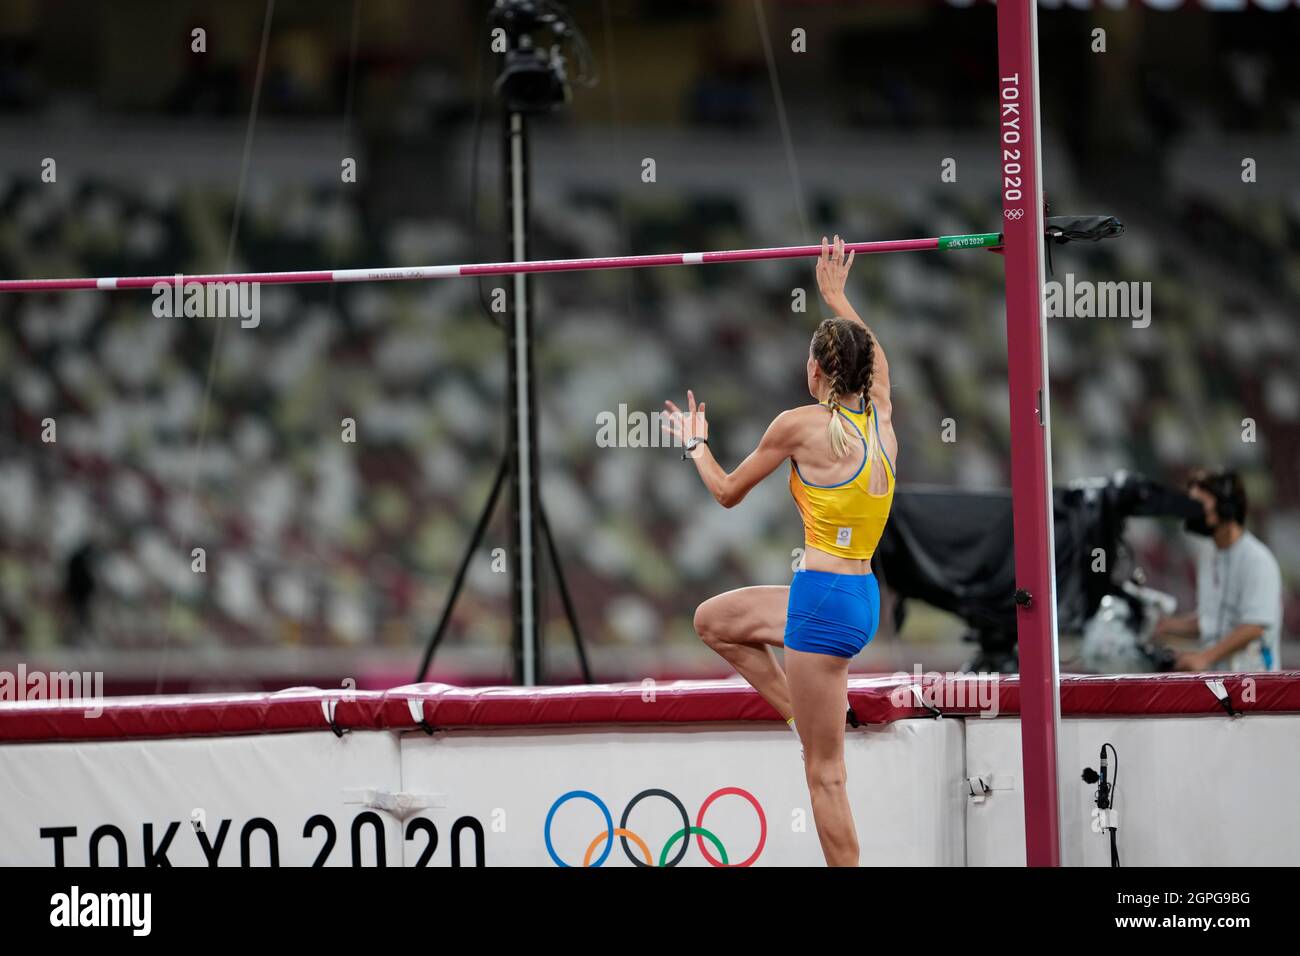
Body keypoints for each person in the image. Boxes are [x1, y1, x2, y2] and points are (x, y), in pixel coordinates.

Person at [662, 235, 895, 867]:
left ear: (816, 372)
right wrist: (837, 296)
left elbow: (727, 493)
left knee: (825, 774)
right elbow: (873, 356)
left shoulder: (797, 425)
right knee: (715, 622)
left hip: (821, 606)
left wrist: (696, 444)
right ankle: (805, 711)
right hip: (855, 597)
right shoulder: (883, 415)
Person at [1154, 469, 1283, 672]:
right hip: (1217, 683)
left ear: (1226, 506)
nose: (1192, 511)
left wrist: (1204, 657)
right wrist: (1164, 626)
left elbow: (1255, 625)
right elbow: (1210, 620)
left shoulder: (1257, 559)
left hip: (1255, 685)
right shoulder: (1208, 555)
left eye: (1200, 503)